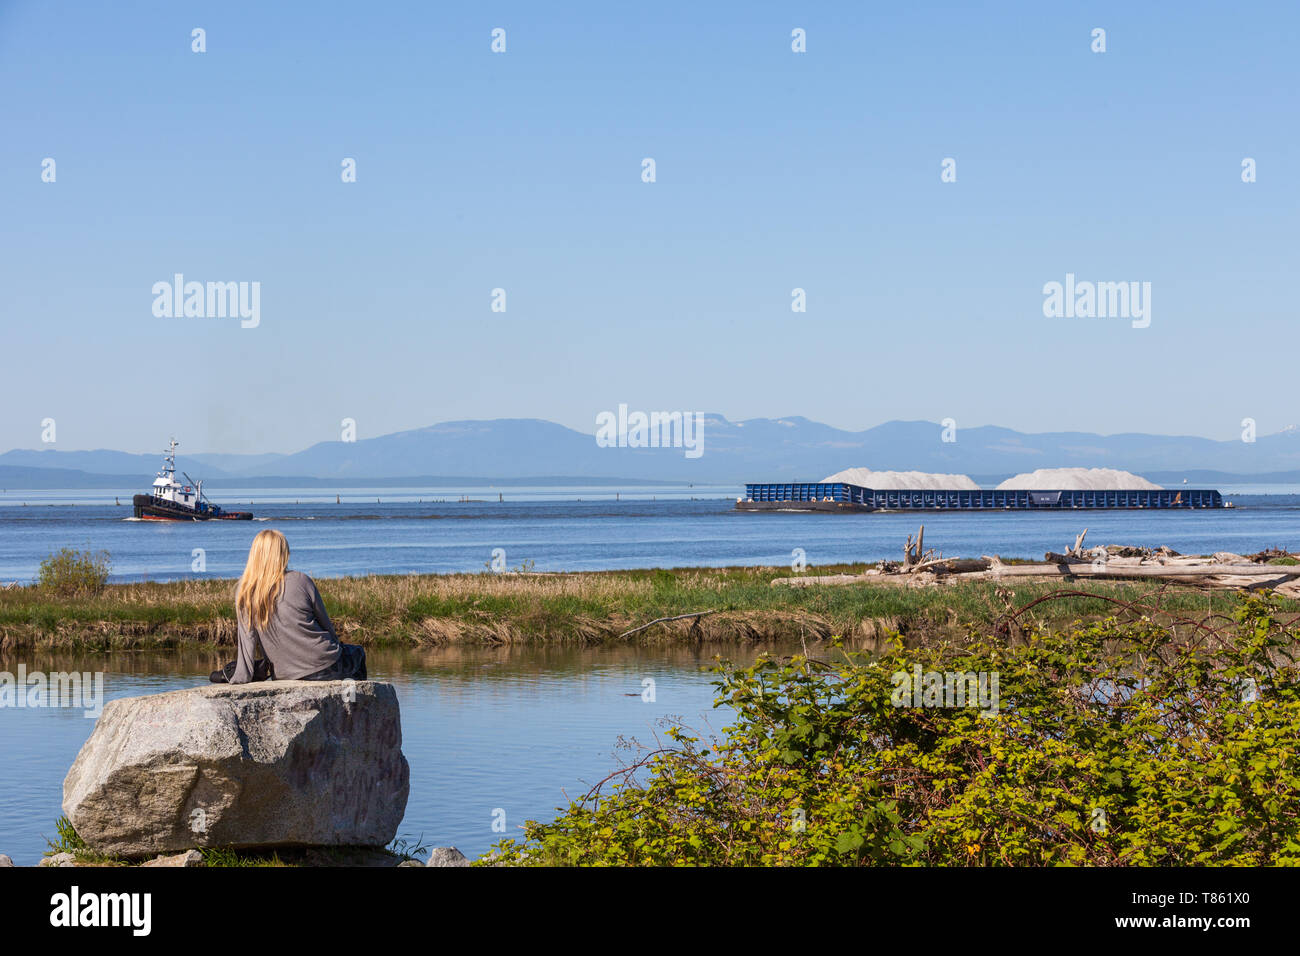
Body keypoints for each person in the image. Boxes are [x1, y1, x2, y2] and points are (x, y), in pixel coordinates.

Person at [211, 528, 366, 684]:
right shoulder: (301, 580)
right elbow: (327, 627)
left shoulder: (244, 590)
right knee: (357, 653)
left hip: (284, 673)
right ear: (282, 554)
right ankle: (356, 704)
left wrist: (241, 677)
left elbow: (247, 642)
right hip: (326, 665)